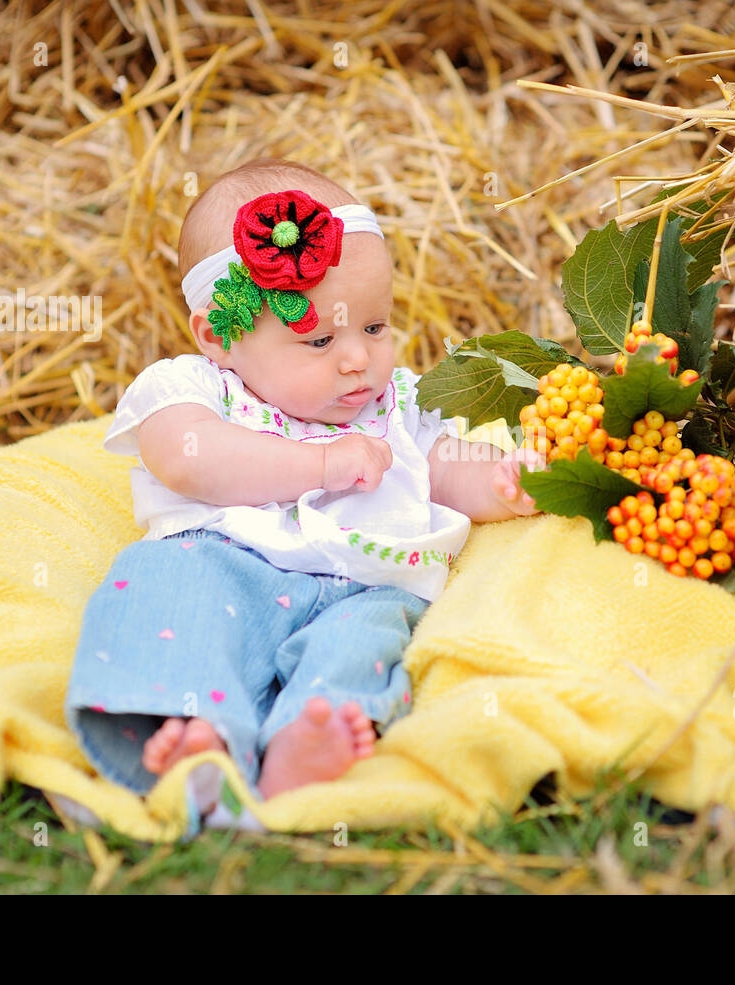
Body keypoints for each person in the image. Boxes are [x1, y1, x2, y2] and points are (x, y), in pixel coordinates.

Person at [64, 158, 543, 817]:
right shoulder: (195, 388)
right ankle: (199, 730)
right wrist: (319, 465)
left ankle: (304, 738)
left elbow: (441, 464)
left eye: (375, 326)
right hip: (224, 561)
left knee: (365, 640)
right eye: (318, 337)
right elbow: (185, 459)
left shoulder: (392, 405)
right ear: (219, 335)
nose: (357, 357)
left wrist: (502, 480)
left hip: (363, 581)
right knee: (172, 598)